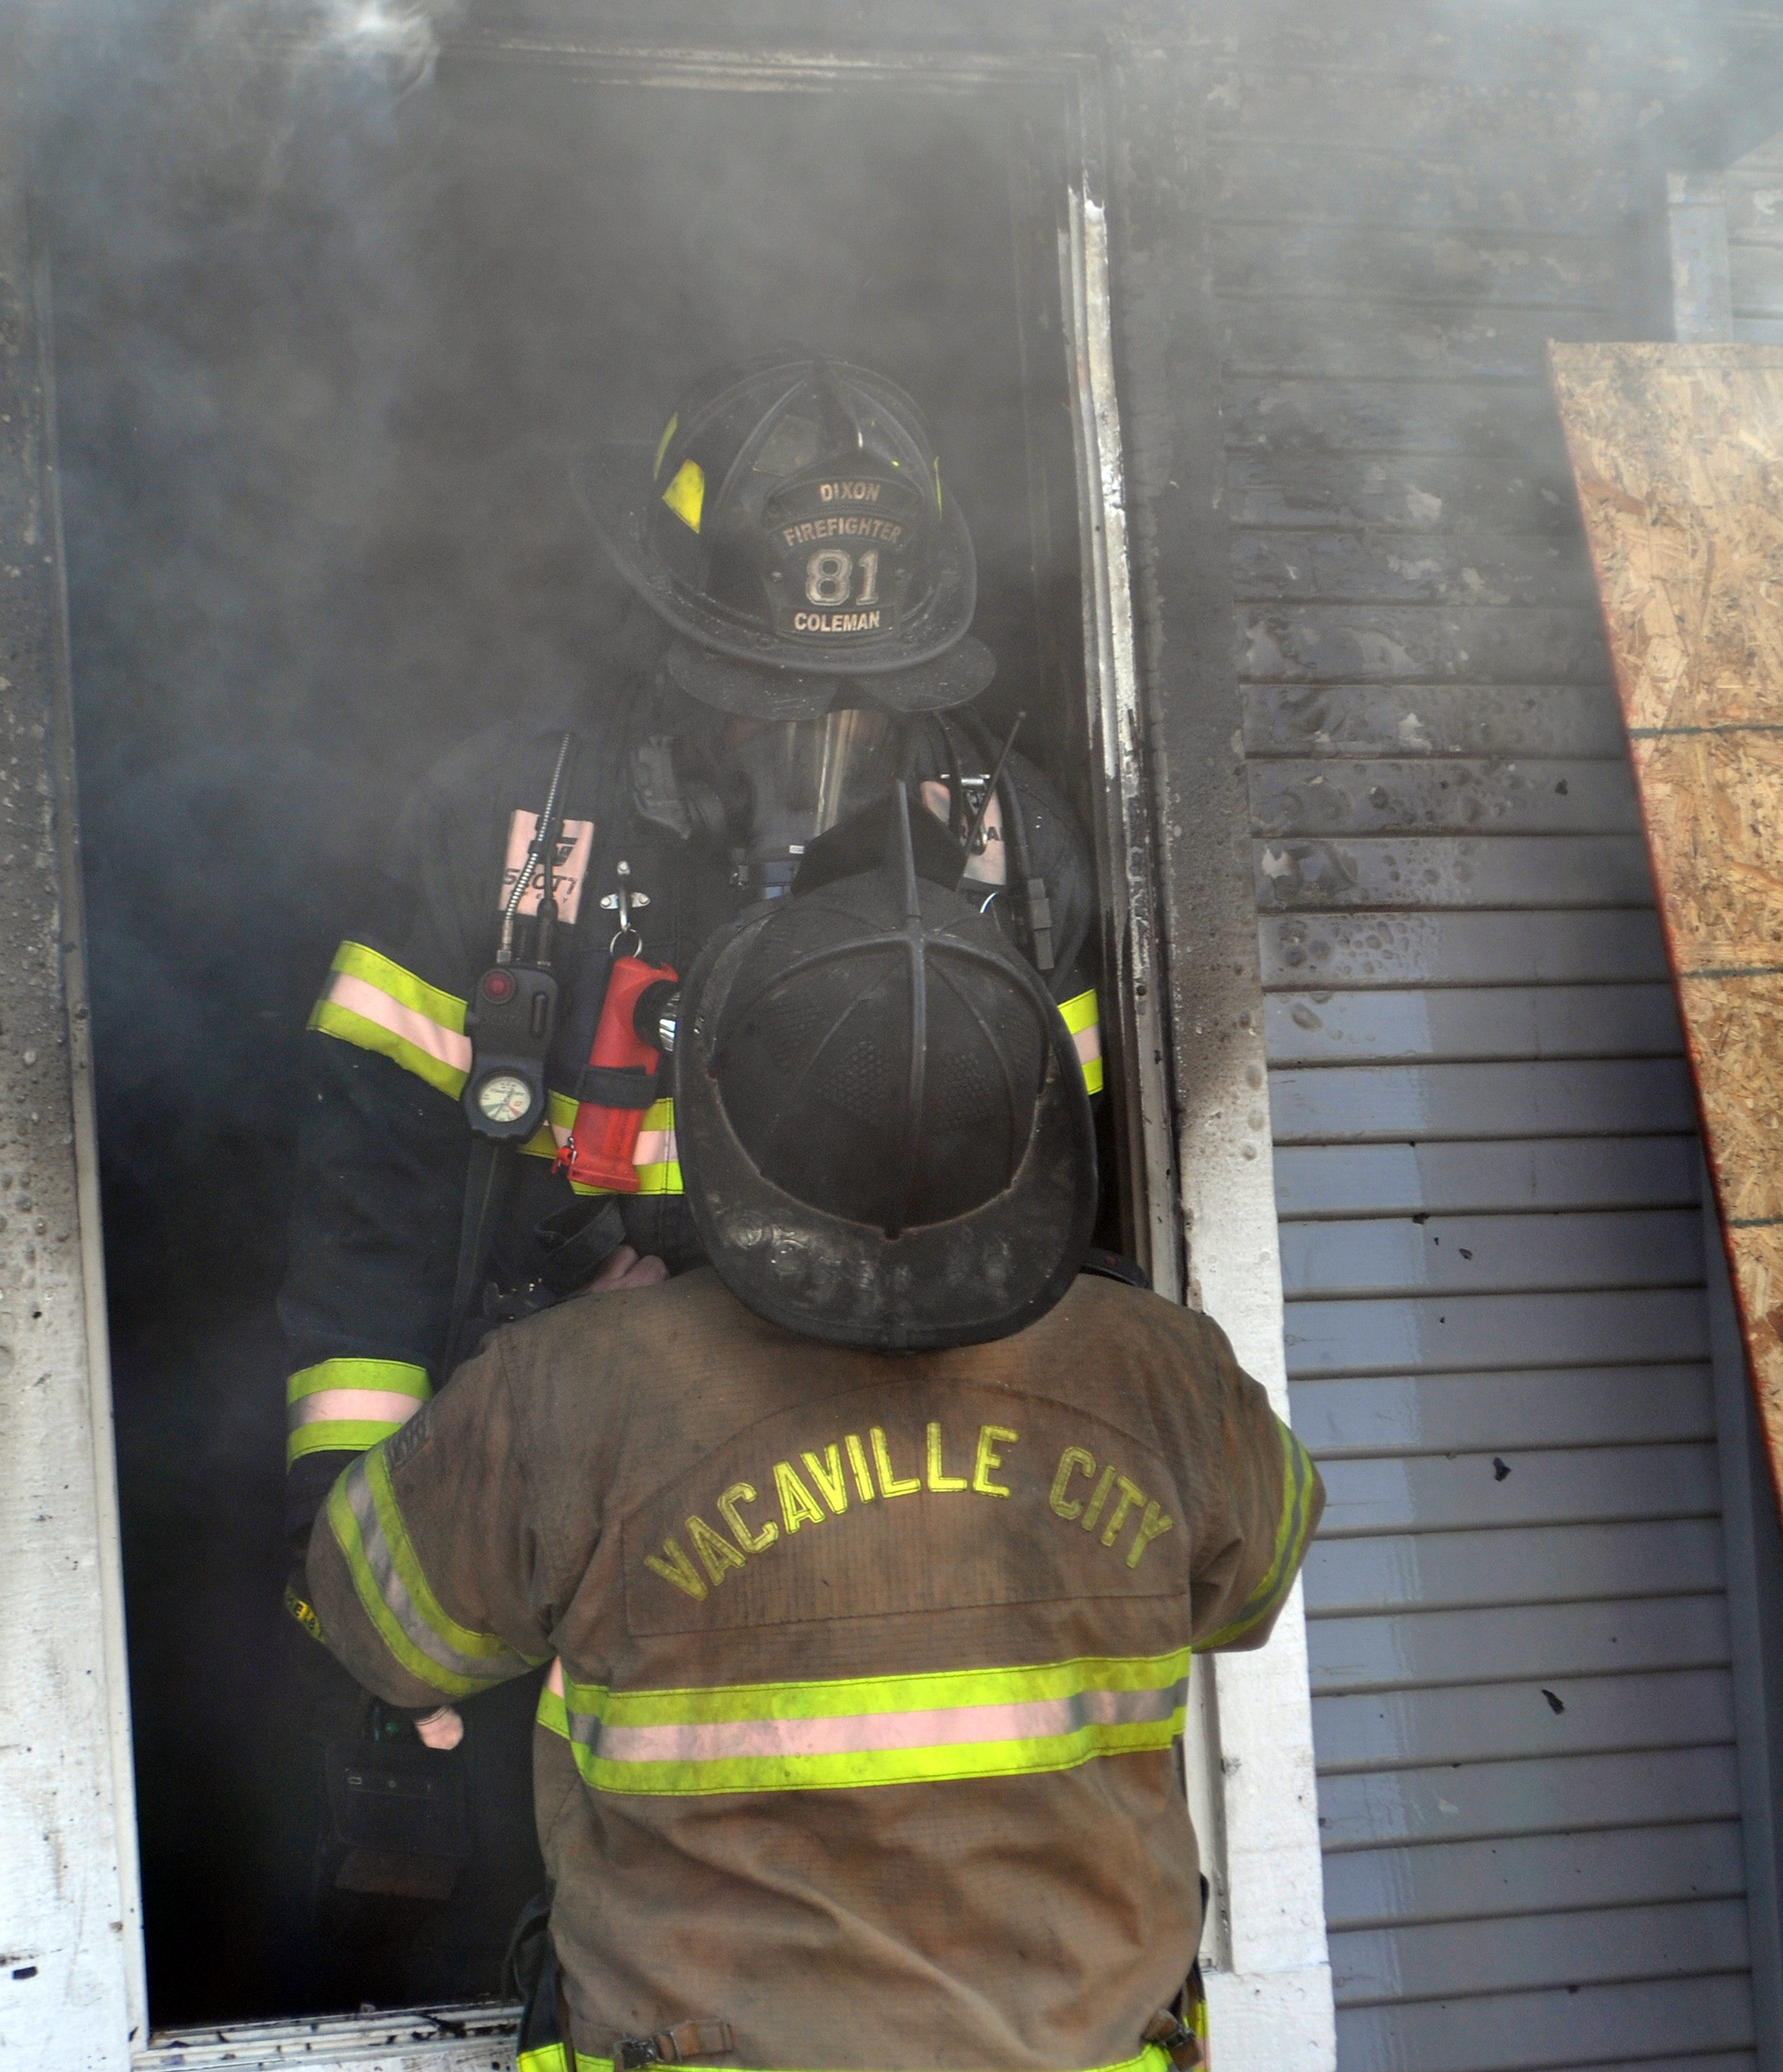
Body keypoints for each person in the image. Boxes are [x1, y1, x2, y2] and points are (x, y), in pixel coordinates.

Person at [276, 350, 1109, 1997]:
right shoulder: (511, 836)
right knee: (577, 1953)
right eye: (767, 684)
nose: (816, 738)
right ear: (673, 629)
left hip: (886, 1535)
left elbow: (1057, 1225)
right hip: (547, 1540)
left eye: (866, 693)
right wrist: (351, 1537)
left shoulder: (1008, 846)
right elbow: (366, 1200)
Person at [304, 792, 1324, 2072]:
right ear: (1033, 1116)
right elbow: (1249, 1590)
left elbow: (379, 1624)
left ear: (724, 1119)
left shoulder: (567, 1388)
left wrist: (553, 1367)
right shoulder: (1164, 1371)